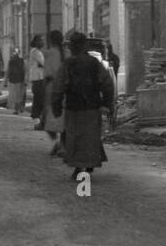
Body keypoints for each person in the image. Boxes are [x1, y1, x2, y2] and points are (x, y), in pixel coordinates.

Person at [52, 31, 115, 181]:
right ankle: (89, 163)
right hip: (92, 107)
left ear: (72, 47)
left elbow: (58, 87)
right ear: (85, 45)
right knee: (90, 136)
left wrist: (56, 105)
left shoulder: (68, 64)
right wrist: (107, 103)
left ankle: (79, 167)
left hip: (74, 107)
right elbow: (107, 84)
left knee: (75, 137)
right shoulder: (94, 63)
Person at [42, 30, 66, 154]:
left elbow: (47, 74)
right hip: (65, 87)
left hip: (52, 86)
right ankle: (62, 144)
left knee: (49, 116)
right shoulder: (66, 53)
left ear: (50, 40)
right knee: (63, 116)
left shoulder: (48, 53)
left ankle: (57, 143)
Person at [27, 35, 47, 129]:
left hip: (39, 77)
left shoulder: (37, 51)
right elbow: (44, 63)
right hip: (38, 78)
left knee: (38, 99)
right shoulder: (35, 52)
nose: (43, 42)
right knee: (39, 99)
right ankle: (37, 118)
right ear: (36, 42)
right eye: (41, 40)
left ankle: (37, 118)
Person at [6, 48, 26, 113]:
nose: (15, 53)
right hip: (15, 80)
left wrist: (25, 80)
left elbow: (24, 70)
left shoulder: (20, 61)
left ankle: (18, 108)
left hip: (17, 80)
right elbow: (8, 71)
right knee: (18, 95)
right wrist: (5, 81)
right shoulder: (12, 61)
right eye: (14, 52)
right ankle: (18, 108)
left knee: (18, 95)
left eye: (16, 52)